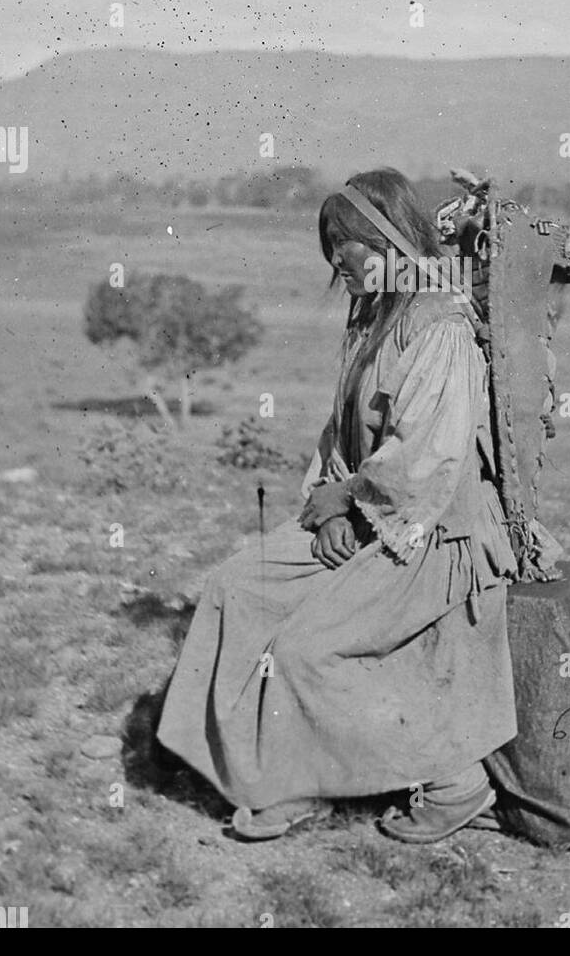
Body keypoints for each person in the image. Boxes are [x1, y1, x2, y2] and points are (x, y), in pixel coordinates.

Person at [156, 167, 519, 842]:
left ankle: (453, 781)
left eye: (342, 248)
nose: (334, 263)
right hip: (370, 514)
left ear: (382, 241)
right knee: (236, 586)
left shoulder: (438, 330)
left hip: (435, 538)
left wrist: (349, 507)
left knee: (304, 650)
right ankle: (283, 778)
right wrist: (326, 509)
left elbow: (427, 460)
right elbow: (340, 436)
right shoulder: (372, 321)